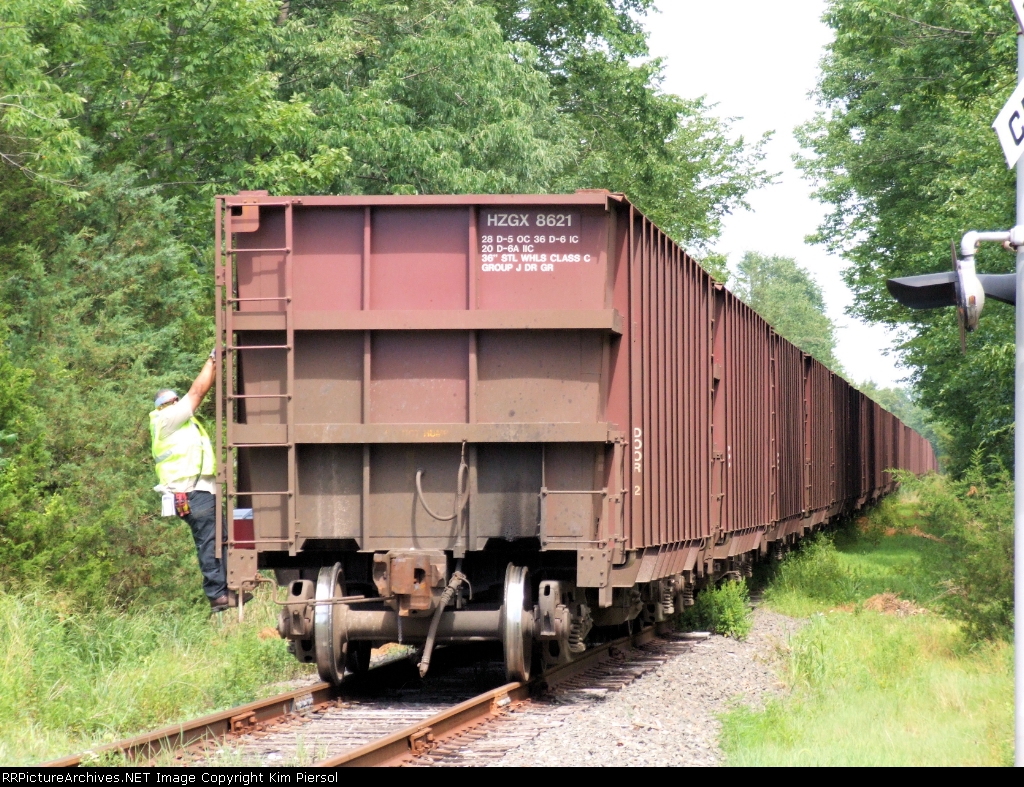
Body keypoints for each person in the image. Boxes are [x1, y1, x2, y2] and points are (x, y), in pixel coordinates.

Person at [149, 349, 250, 613]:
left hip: (196, 493)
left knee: (218, 538)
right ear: (167, 404)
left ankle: (227, 588)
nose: (178, 403)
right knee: (210, 540)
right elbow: (197, 393)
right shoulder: (167, 419)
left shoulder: (176, 424)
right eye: (175, 401)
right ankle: (217, 594)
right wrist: (213, 360)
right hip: (193, 493)